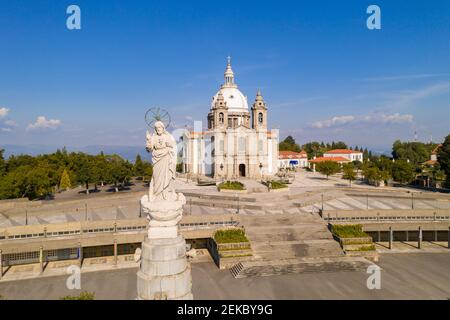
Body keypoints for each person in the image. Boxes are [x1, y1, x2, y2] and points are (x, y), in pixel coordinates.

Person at [146, 121, 177, 201]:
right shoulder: (153, 137)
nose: (158, 129)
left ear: (163, 128)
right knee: (156, 177)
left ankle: (165, 193)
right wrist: (148, 141)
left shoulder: (168, 136)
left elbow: (173, 146)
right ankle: (157, 194)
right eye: (156, 128)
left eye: (159, 127)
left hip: (166, 157)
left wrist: (169, 144)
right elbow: (149, 149)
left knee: (166, 176)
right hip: (156, 159)